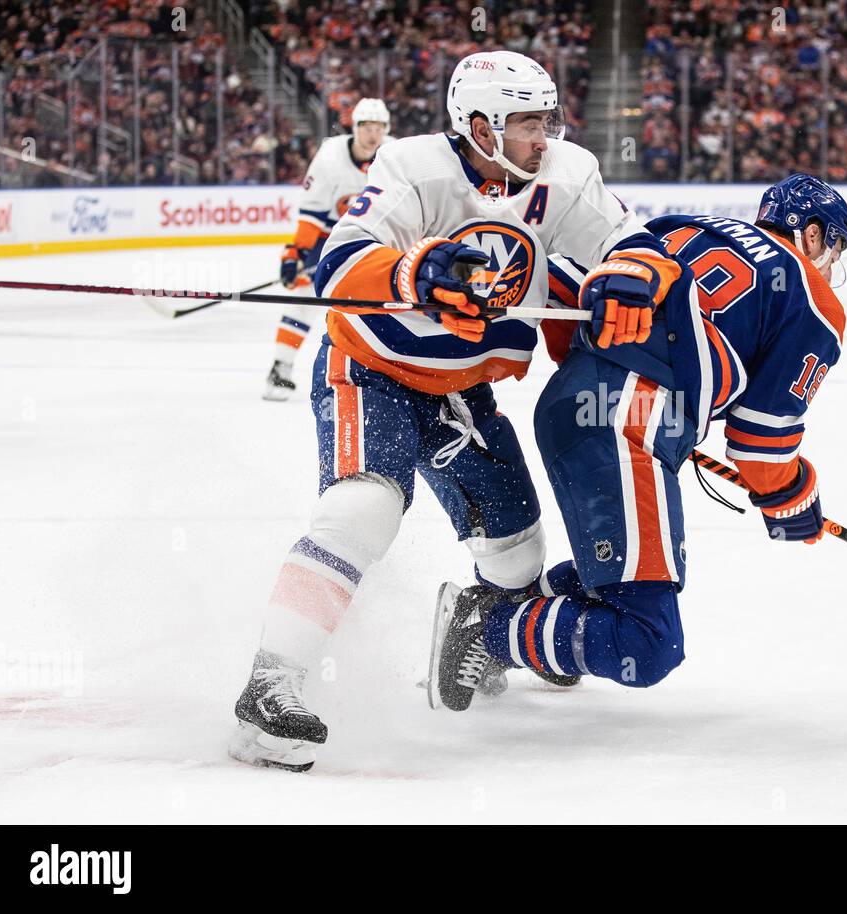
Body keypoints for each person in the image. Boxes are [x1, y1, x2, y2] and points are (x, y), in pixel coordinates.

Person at [229, 50, 676, 772]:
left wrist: (630, 276)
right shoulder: (415, 166)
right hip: (370, 367)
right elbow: (339, 265)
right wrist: (417, 268)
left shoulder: (567, 174)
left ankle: (473, 627)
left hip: (462, 392)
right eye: (530, 122)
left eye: (548, 119)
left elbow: (634, 245)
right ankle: (270, 686)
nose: (547, 135)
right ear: (480, 126)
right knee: (362, 510)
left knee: (519, 551)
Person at [426, 174, 847, 710]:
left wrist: (658, 409)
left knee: (630, 579)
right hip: (626, 422)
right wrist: (793, 501)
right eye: (835, 246)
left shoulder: (675, 231)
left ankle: (528, 614)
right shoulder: (813, 299)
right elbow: (760, 445)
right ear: (812, 235)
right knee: (649, 644)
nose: (833, 265)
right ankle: (488, 628)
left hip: (577, 408)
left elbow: (567, 290)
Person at [264, 98, 393, 400]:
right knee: (304, 298)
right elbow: (312, 213)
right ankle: (280, 367)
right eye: (366, 127)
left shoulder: (394, 154)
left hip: (378, 238)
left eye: (378, 128)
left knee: (382, 307)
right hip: (330, 237)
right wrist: (297, 252)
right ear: (355, 127)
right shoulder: (331, 157)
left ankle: (385, 373)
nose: (373, 134)